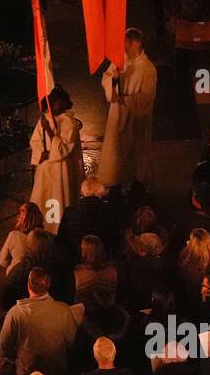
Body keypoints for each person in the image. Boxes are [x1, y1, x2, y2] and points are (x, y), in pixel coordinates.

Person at [99, 28, 158, 192]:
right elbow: (108, 82)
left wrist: (124, 98)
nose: (122, 45)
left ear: (135, 43)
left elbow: (146, 98)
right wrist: (115, 78)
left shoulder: (148, 69)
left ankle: (136, 188)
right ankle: (115, 186)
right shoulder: (119, 61)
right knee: (116, 156)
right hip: (117, 115)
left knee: (135, 155)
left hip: (135, 119)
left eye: (125, 41)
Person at [0, 268, 78, 375]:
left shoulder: (15, 313)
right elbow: (73, 343)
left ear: (28, 285)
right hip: (57, 373)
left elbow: (4, 346)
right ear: (49, 285)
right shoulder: (64, 310)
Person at [30, 87, 85, 233]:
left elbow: (63, 149)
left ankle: (57, 227)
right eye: (54, 103)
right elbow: (35, 141)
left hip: (60, 169)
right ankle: (45, 225)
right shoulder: (44, 119)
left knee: (57, 197)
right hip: (46, 168)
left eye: (60, 103)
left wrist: (48, 130)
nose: (56, 106)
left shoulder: (70, 123)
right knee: (45, 197)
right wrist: (41, 153)